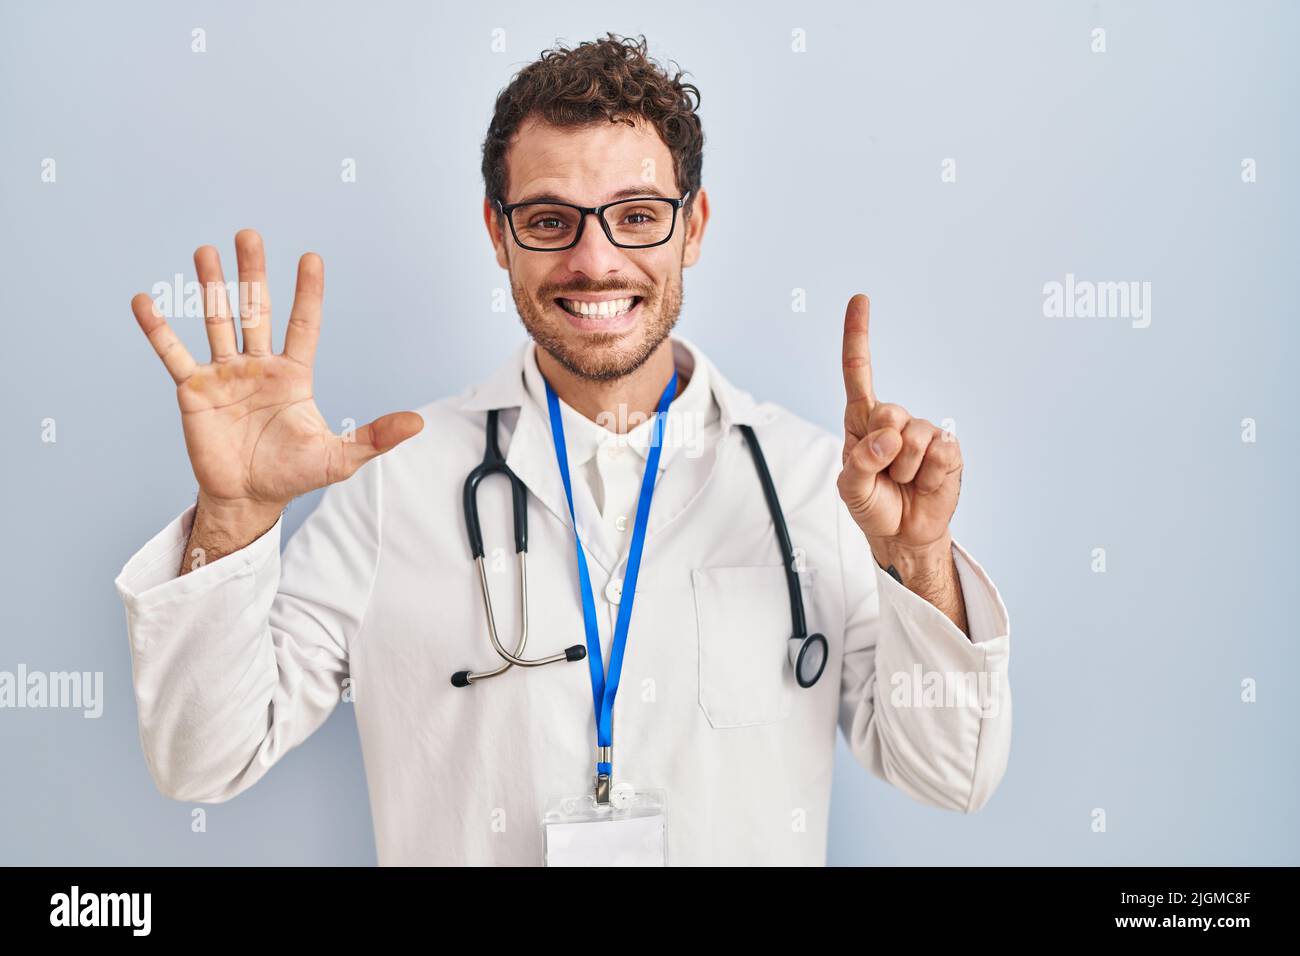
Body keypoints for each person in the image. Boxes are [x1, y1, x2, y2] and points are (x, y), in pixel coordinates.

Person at [115, 34, 1011, 866]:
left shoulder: (815, 484)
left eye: (636, 214)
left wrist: (918, 564)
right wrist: (233, 520)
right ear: (497, 232)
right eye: (549, 221)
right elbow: (204, 761)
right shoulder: (395, 486)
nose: (595, 259)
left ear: (692, 229)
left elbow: (951, 774)